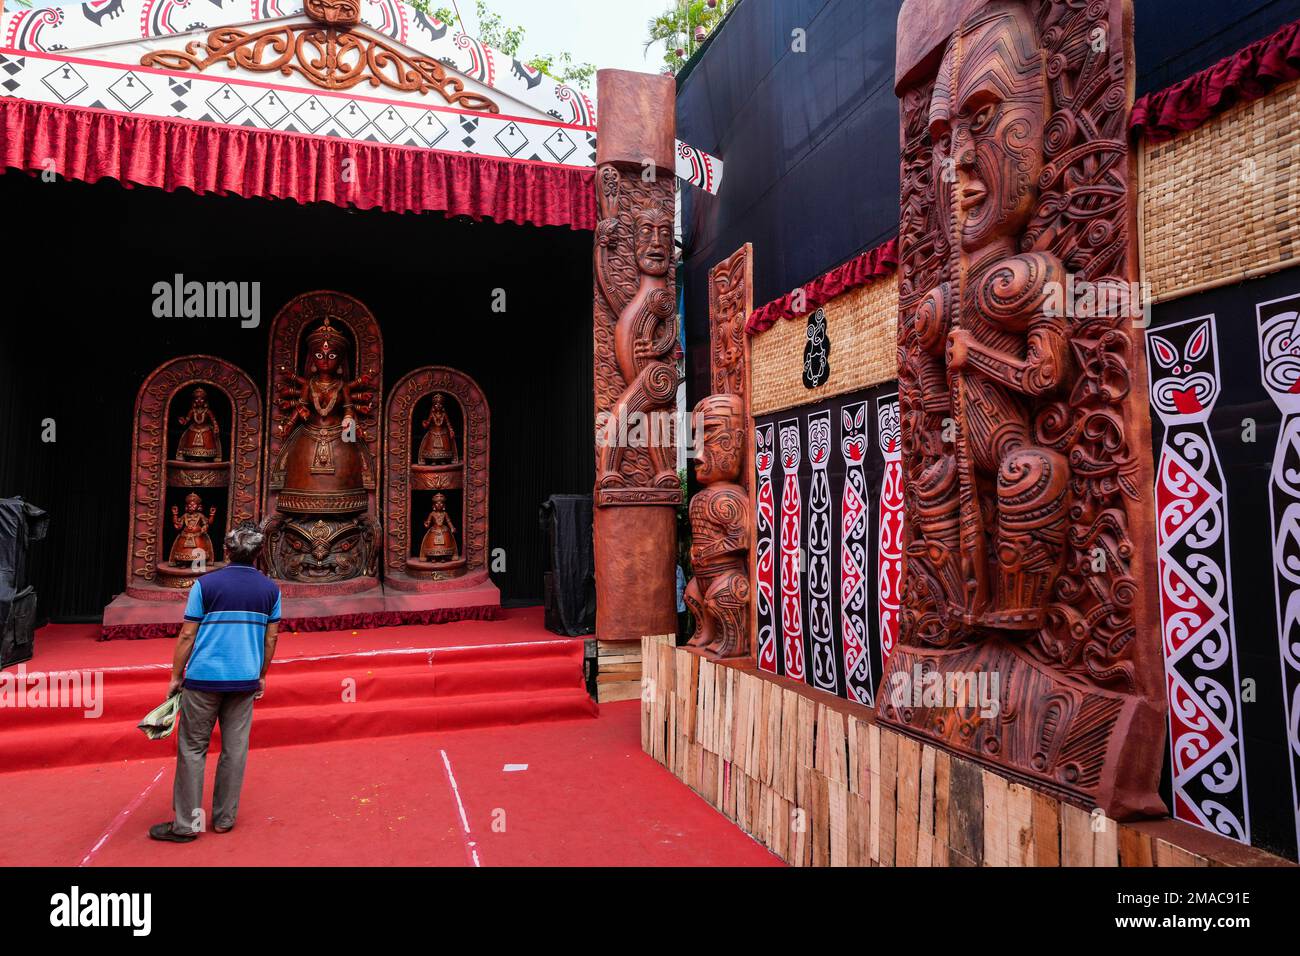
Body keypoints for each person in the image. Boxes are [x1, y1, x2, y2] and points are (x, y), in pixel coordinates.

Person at [149, 521, 281, 843]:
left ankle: (187, 824)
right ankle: (224, 819)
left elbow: (187, 634)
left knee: (193, 749)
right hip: (244, 679)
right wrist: (261, 675)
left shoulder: (205, 585)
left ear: (225, 551)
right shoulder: (270, 590)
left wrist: (175, 676)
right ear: (259, 554)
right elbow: (271, 638)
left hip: (203, 679)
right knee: (235, 750)